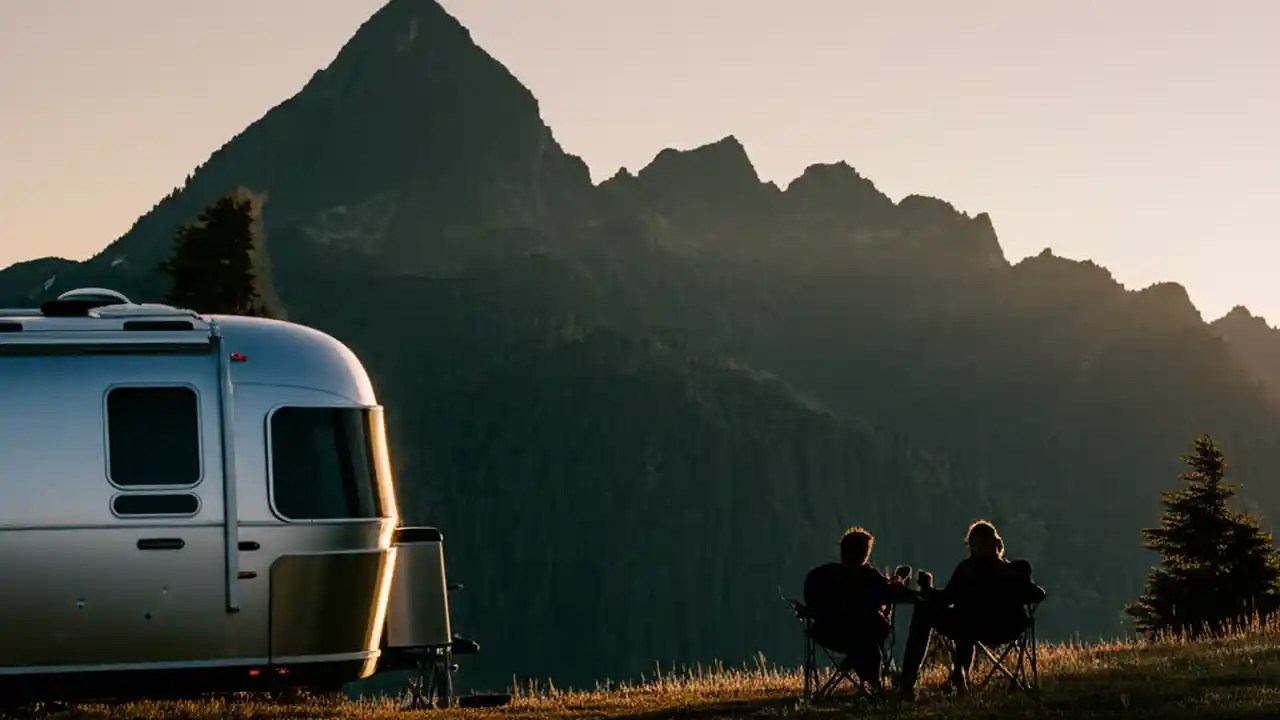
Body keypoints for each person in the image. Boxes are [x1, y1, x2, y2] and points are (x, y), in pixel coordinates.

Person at [896, 520, 1046, 700]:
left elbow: (948, 598)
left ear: (973, 546)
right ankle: (959, 675)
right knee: (966, 621)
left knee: (928, 614)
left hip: (971, 626)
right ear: (997, 544)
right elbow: (1038, 594)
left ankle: (908, 681)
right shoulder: (1014, 570)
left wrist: (926, 594)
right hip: (1007, 629)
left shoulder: (967, 569)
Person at [803, 527, 916, 690]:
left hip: (826, 633)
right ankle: (877, 685)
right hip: (856, 635)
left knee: (867, 643)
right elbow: (886, 593)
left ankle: (867, 680)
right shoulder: (866, 577)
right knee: (872, 642)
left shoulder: (824, 576)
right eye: (865, 551)